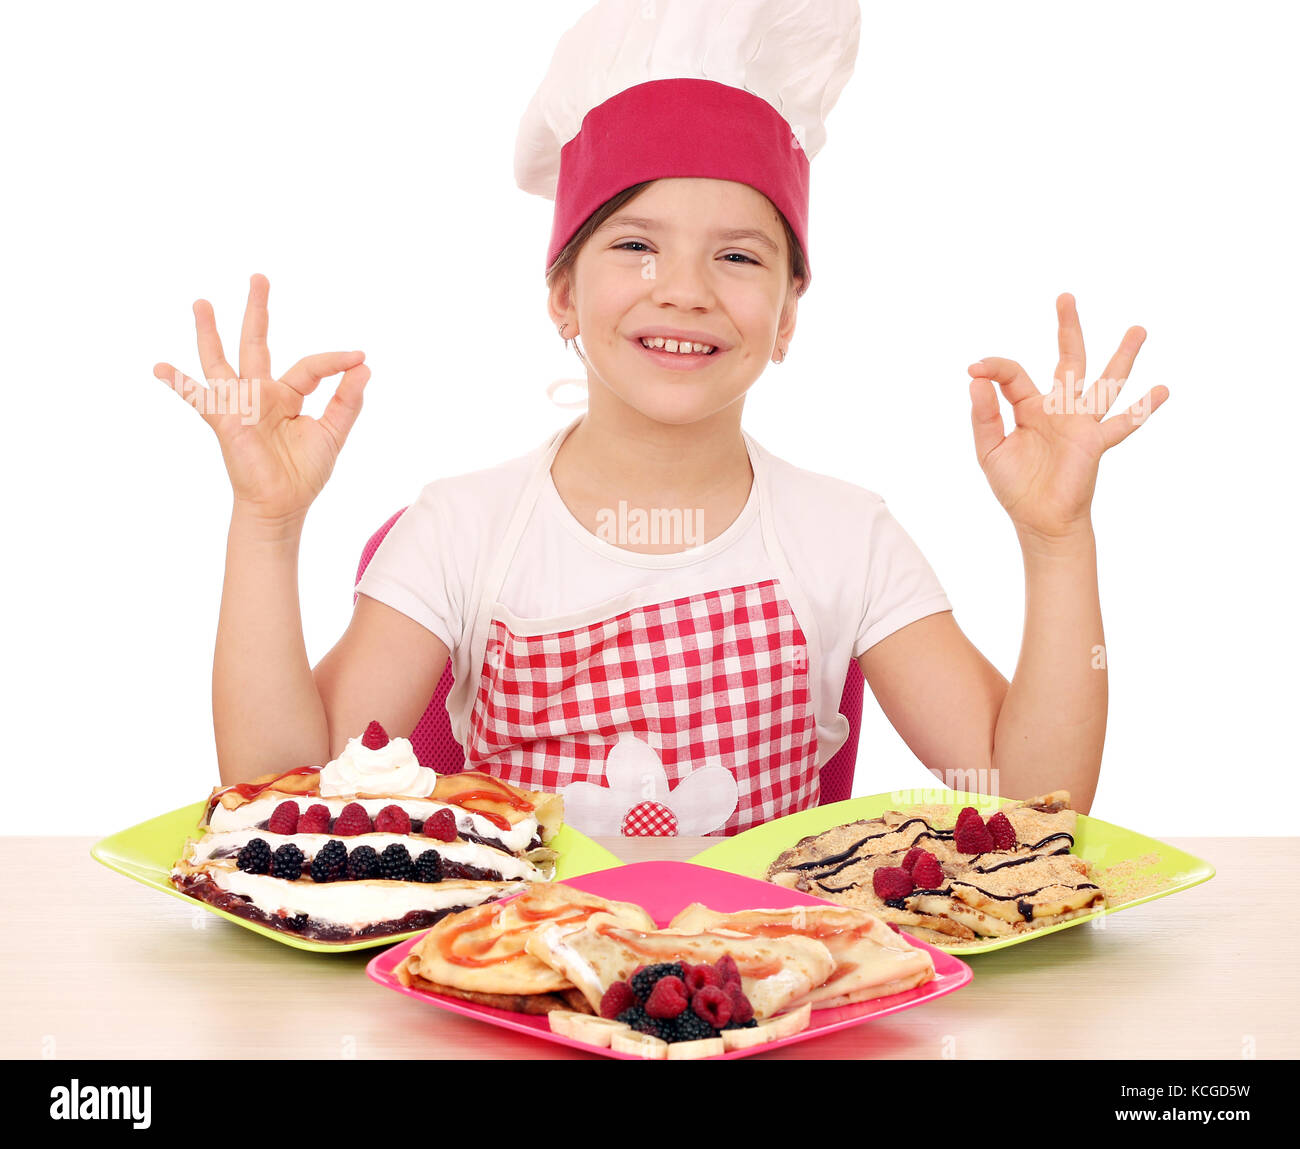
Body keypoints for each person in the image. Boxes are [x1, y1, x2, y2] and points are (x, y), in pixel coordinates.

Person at [153, 0, 1166, 835]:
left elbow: (1036, 808)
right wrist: (267, 524)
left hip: (774, 991)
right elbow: (278, 793)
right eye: (634, 245)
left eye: (737, 256)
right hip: (519, 984)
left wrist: (1056, 537)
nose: (682, 290)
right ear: (561, 296)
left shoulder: (845, 538)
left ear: (785, 319)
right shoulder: (460, 531)